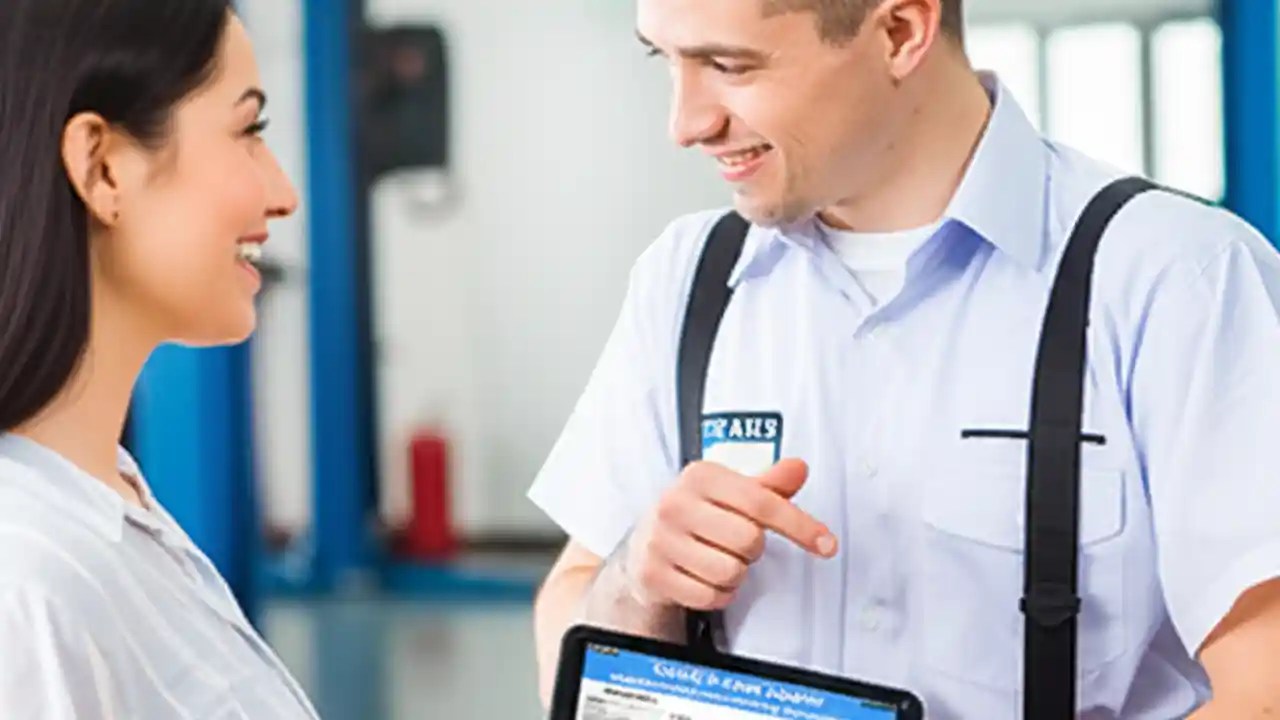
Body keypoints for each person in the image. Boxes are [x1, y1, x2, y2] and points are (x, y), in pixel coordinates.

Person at [528, 0, 1280, 717]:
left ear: (898, 31)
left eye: (730, 65)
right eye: (667, 60)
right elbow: (575, 603)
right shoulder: (687, 280)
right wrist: (639, 582)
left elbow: (1267, 684)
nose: (686, 123)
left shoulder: (1176, 281)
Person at [0, 1, 316, 717]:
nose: (283, 194)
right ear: (103, 168)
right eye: (248, 131)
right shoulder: (25, 588)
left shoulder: (112, 510)